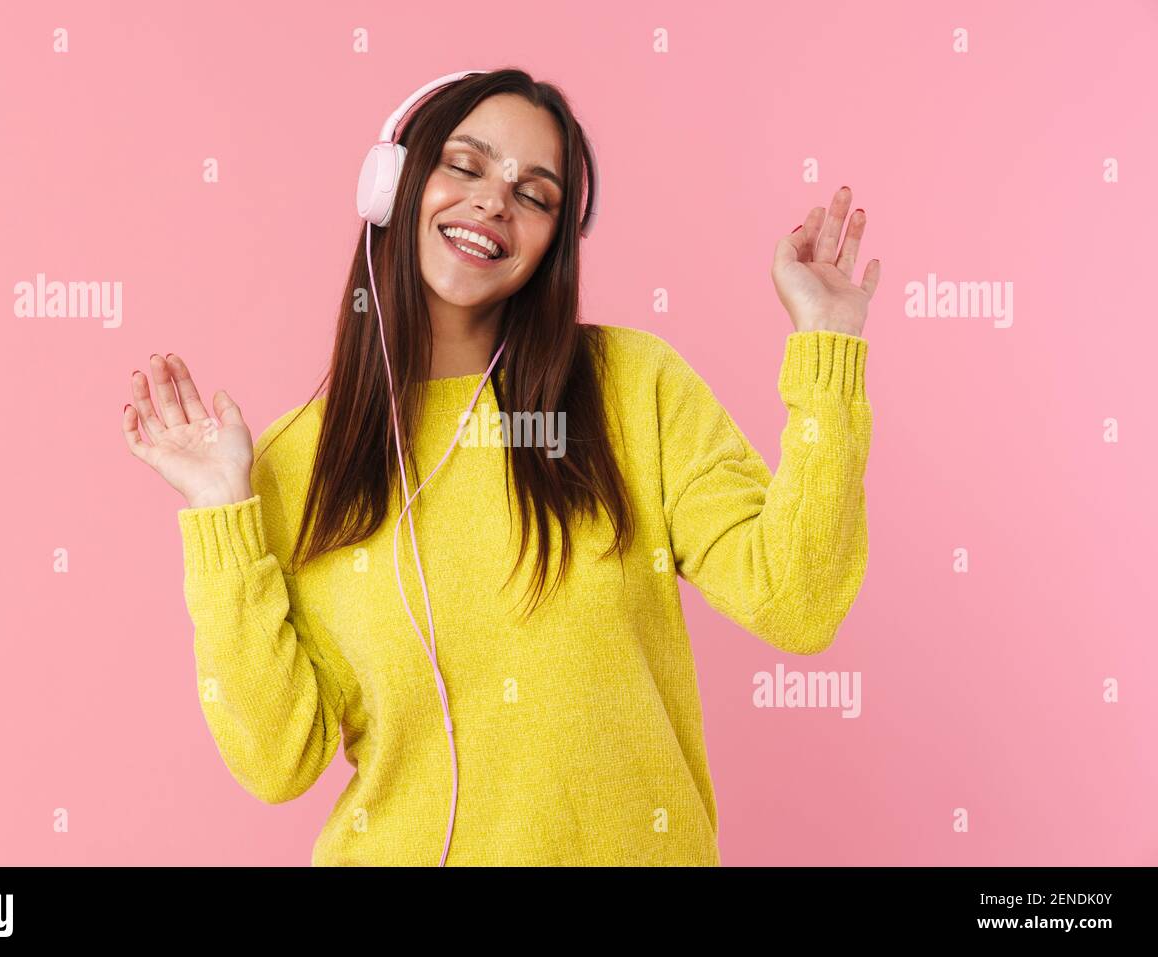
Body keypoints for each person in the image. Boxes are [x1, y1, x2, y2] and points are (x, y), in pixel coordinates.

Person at [120, 68, 878, 866]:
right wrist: (220, 516)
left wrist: (828, 350)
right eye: (466, 165)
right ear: (394, 184)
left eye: (535, 194)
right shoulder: (300, 461)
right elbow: (277, 763)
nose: (493, 202)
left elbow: (798, 601)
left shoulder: (635, 387)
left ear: (551, 243)